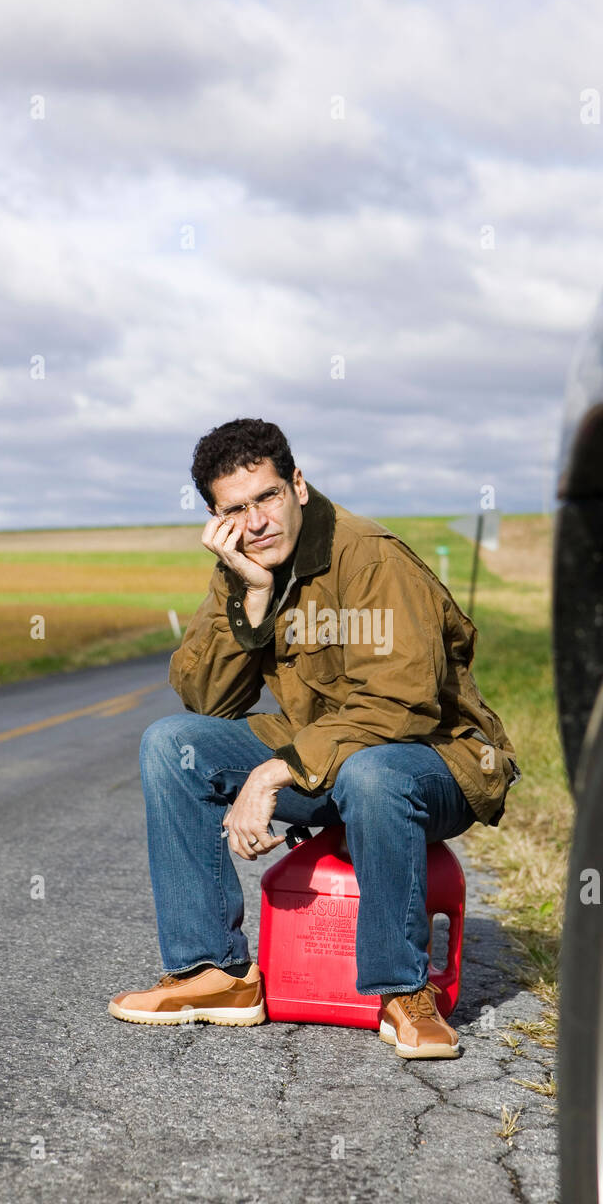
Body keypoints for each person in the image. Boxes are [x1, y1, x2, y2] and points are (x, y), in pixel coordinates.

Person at [109, 418, 520, 1059]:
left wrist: (272, 773)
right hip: (325, 756)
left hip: (436, 762)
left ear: (297, 485)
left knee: (374, 772)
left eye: (267, 497)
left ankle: (404, 993)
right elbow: (207, 699)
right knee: (172, 743)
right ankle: (211, 974)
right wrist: (249, 594)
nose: (257, 521)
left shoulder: (369, 557)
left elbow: (400, 704)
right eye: (235, 510)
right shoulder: (244, 566)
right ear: (217, 519)